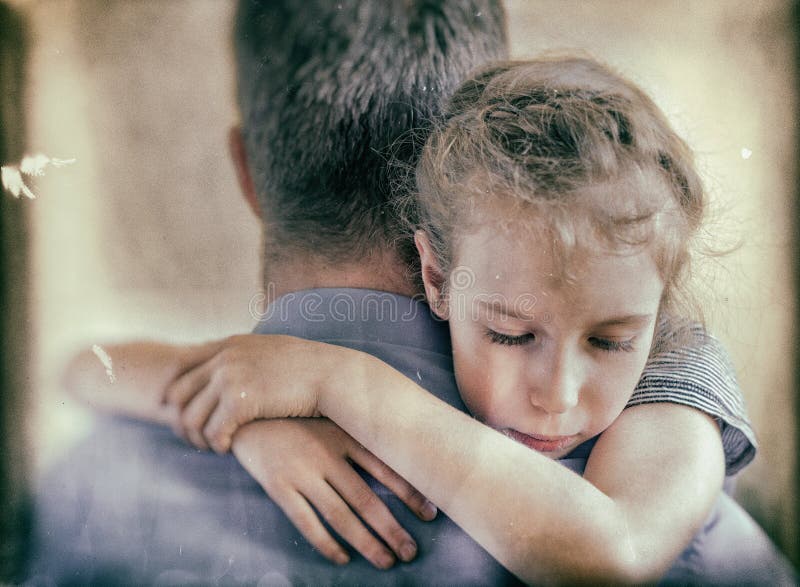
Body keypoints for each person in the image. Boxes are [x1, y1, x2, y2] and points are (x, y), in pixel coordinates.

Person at [62, 57, 796, 585]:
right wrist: (250, 418)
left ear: (658, 309)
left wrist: (332, 380)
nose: (558, 393)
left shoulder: (677, 372)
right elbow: (85, 368)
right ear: (436, 278)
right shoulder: (483, 280)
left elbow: (613, 552)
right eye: (511, 333)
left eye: (611, 340)